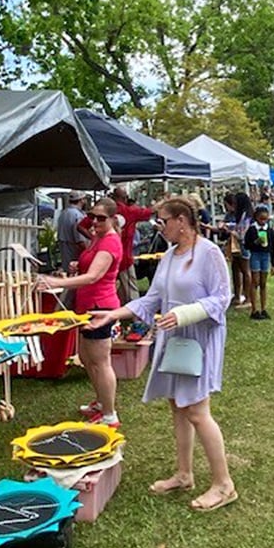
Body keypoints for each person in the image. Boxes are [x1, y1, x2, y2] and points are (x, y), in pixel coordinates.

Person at [87, 197, 237, 512]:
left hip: (199, 341)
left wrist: (183, 315)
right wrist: (112, 314)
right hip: (173, 342)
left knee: (197, 411)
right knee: (178, 406)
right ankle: (184, 474)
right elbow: (152, 299)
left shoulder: (209, 253)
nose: (159, 226)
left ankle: (224, 485)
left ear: (182, 221)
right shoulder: (169, 256)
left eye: (163, 221)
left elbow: (222, 298)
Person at [40, 198, 123, 427]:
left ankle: (110, 415)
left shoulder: (110, 242)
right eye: (92, 216)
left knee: (100, 362)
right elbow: (90, 266)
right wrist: (79, 264)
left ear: (113, 219)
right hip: (87, 306)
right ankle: (101, 402)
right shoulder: (98, 237)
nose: (94, 221)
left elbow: (94, 277)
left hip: (100, 307)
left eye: (101, 218)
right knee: (87, 358)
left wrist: (56, 282)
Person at [112, 185, 156, 304]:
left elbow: (81, 226)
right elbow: (150, 211)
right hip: (124, 256)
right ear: (125, 198)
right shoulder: (129, 211)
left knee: (113, 286)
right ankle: (134, 310)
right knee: (131, 288)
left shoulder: (107, 210)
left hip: (108, 254)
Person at [244, 204, 274, 320]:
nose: (263, 222)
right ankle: (254, 309)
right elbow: (246, 245)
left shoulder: (270, 231)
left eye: (265, 219)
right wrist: (255, 242)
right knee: (255, 282)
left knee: (263, 283)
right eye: (261, 219)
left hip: (266, 256)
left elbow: (273, 248)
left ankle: (263, 308)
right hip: (255, 255)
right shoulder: (252, 230)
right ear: (256, 218)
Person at [222, 192, 253, 306]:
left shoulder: (246, 216)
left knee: (245, 271)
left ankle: (248, 298)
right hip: (237, 245)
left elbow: (241, 234)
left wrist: (229, 230)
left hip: (243, 245)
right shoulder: (241, 215)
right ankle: (237, 295)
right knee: (235, 269)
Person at [57, 191, 89, 271]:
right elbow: (80, 240)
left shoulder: (63, 213)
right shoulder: (78, 215)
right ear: (81, 200)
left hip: (64, 251)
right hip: (74, 252)